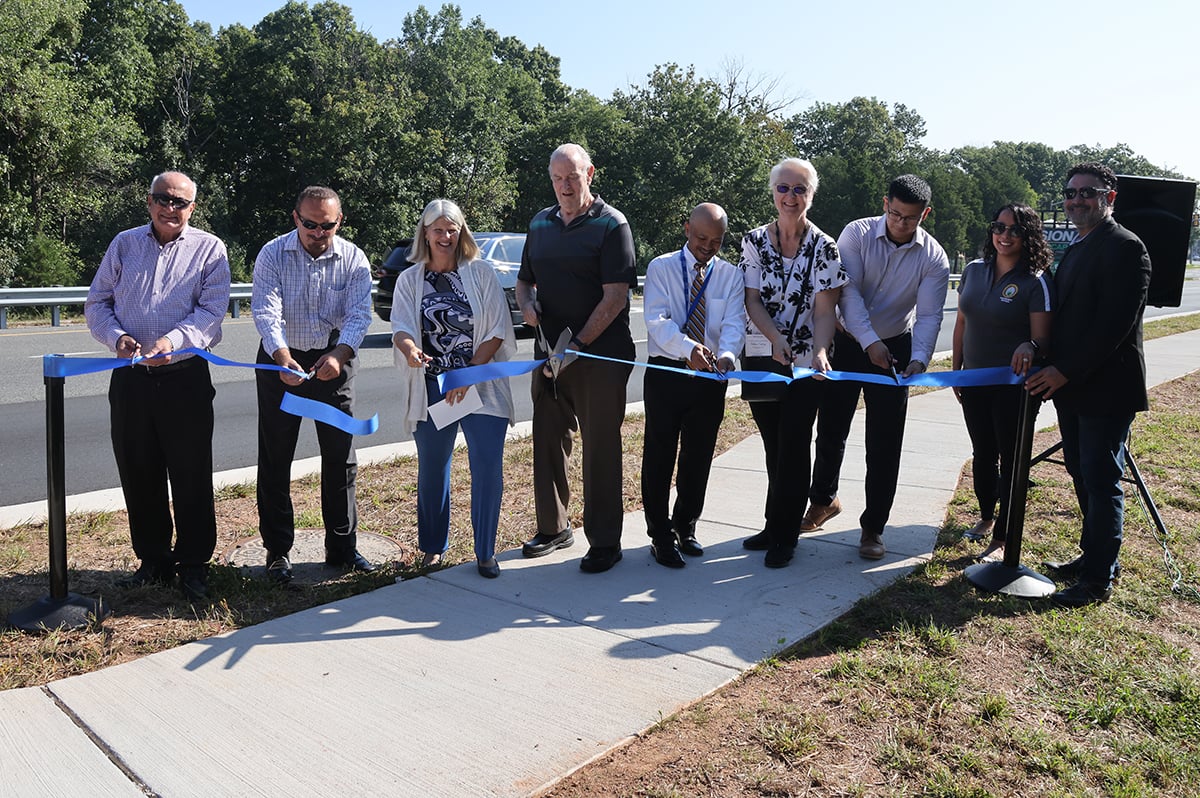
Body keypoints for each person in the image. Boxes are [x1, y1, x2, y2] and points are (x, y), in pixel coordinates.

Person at [84, 171, 231, 602]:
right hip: (131, 378)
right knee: (138, 470)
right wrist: (117, 339)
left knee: (191, 473)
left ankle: (194, 565)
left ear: (193, 207)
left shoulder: (210, 249)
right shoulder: (124, 244)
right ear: (149, 201)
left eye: (180, 202)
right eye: (162, 199)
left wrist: (172, 341)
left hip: (185, 377)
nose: (170, 208)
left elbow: (211, 311)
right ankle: (153, 561)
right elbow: (97, 302)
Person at [803, 175, 950, 560]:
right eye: (895, 214)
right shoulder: (855, 234)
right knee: (831, 427)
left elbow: (931, 314)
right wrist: (869, 343)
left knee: (885, 442)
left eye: (911, 218)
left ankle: (873, 528)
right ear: (885, 204)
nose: (901, 224)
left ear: (926, 214)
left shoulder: (934, 257)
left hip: (896, 347)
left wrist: (920, 357)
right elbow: (848, 294)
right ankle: (823, 500)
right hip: (848, 341)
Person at [1027, 162, 1151, 607]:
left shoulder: (1125, 248)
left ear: (1109, 197)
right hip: (1073, 387)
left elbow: (1111, 328)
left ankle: (1097, 581)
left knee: (1102, 480)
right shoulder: (1079, 246)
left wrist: (1063, 371)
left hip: (1107, 388)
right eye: (1071, 192)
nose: (1077, 199)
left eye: (1088, 192)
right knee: (1081, 472)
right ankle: (1093, 557)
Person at [515, 143, 637, 574]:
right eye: (557, 178)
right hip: (548, 356)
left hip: (598, 357)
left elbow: (616, 297)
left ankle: (605, 541)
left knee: (600, 448)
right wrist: (527, 305)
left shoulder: (611, 224)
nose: (565, 186)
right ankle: (553, 527)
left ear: (590, 173)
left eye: (573, 176)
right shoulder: (539, 223)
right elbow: (524, 281)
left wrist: (579, 345)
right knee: (548, 440)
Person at [251, 185, 376, 584]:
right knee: (275, 457)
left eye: (327, 225)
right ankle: (277, 552)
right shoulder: (272, 253)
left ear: (339, 222)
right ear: (295, 218)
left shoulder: (354, 258)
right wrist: (280, 355)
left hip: (333, 361)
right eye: (309, 224)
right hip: (281, 361)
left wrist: (339, 356)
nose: (318, 233)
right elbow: (265, 311)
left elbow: (359, 314)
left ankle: (342, 546)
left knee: (341, 457)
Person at [391, 199, 516, 579]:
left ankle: (485, 552)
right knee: (432, 468)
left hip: (479, 385)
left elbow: (497, 329)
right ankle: (431, 548)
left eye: (452, 229)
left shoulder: (480, 273)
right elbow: (401, 327)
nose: (445, 236)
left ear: (461, 233)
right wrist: (411, 349)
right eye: (438, 229)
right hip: (433, 388)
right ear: (425, 233)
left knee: (487, 468)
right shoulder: (409, 279)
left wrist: (468, 374)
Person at [738, 158, 846, 568]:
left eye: (800, 189)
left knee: (795, 443)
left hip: (806, 362)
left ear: (811, 196)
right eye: (784, 188)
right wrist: (776, 339)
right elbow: (752, 300)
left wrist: (818, 351)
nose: (790, 196)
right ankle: (773, 523)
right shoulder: (753, 241)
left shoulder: (825, 247)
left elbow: (824, 313)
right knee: (773, 445)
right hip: (765, 354)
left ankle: (786, 535)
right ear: (773, 192)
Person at [641, 203, 745, 568]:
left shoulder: (731, 276)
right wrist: (688, 349)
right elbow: (656, 321)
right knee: (659, 454)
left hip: (710, 378)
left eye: (715, 242)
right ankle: (659, 535)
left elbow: (734, 322)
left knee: (699, 456)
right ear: (687, 229)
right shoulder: (661, 267)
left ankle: (686, 525)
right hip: (667, 372)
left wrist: (729, 355)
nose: (707, 247)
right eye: (701, 238)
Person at [952, 204, 1054, 562]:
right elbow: (962, 323)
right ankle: (985, 516)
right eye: (999, 227)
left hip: (1015, 388)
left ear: (1028, 236)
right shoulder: (973, 270)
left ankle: (1003, 539)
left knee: (1011, 460)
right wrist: (957, 369)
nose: (1005, 235)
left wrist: (1031, 345)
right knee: (982, 453)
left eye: (1014, 230)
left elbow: (1043, 339)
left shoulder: (1036, 279)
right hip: (974, 380)